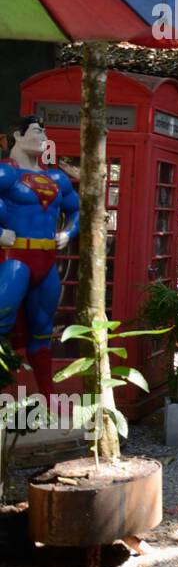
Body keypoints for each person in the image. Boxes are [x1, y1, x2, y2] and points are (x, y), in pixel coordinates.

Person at [0, 116, 79, 398]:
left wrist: (69, 233)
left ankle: (48, 396)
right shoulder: (5, 174)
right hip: (14, 259)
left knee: (42, 330)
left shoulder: (57, 178)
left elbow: (75, 211)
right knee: (1, 318)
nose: (43, 135)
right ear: (17, 136)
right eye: (36, 130)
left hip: (46, 263)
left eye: (44, 130)